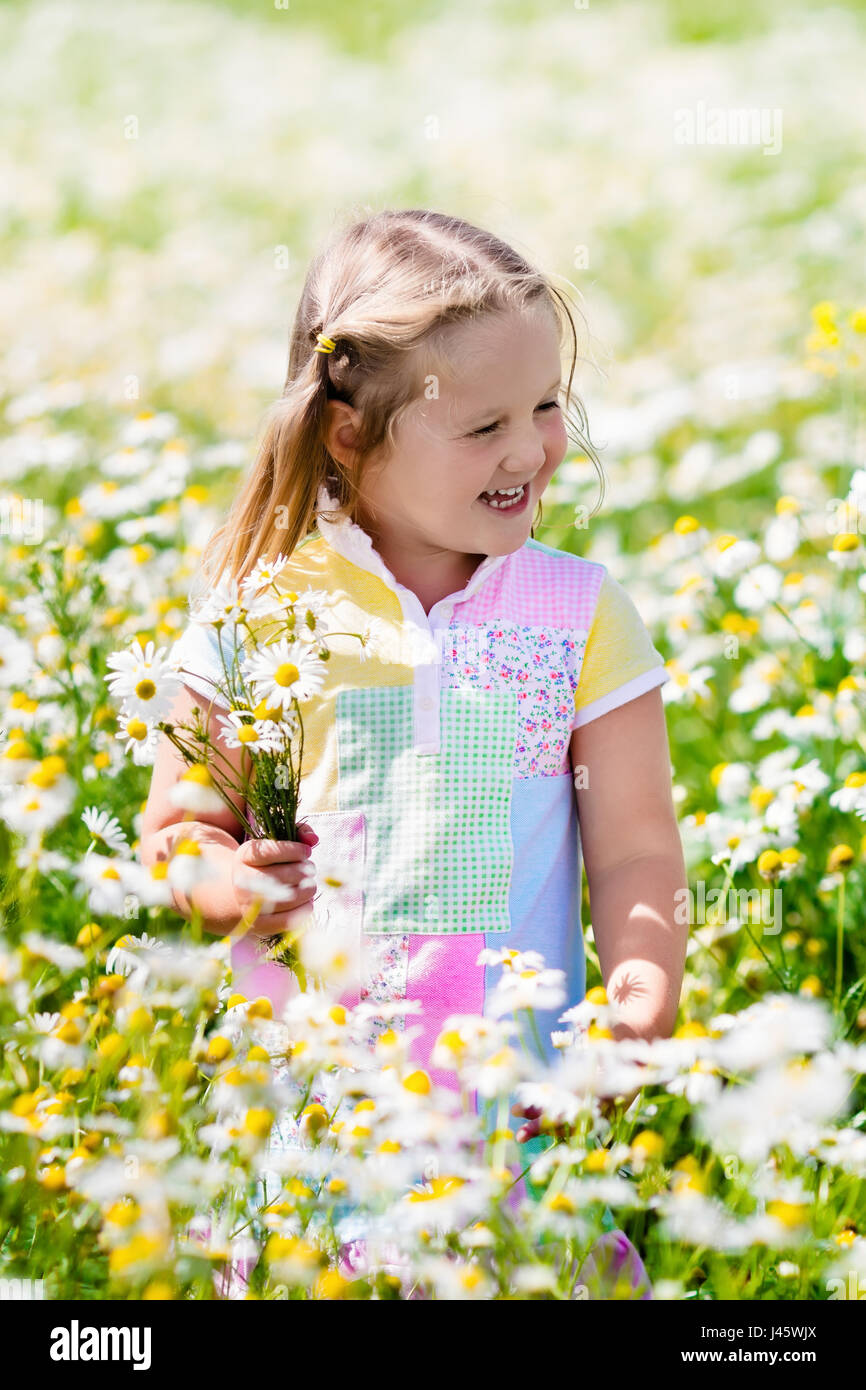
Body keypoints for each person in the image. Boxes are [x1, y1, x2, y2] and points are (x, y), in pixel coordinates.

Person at [139, 208, 689, 1297]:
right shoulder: (261, 614)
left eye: (544, 407)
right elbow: (175, 834)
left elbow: (636, 851)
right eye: (482, 426)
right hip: (313, 1104)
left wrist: (638, 1002)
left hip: (511, 1105)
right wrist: (226, 881)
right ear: (349, 435)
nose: (531, 450)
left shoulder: (576, 611)